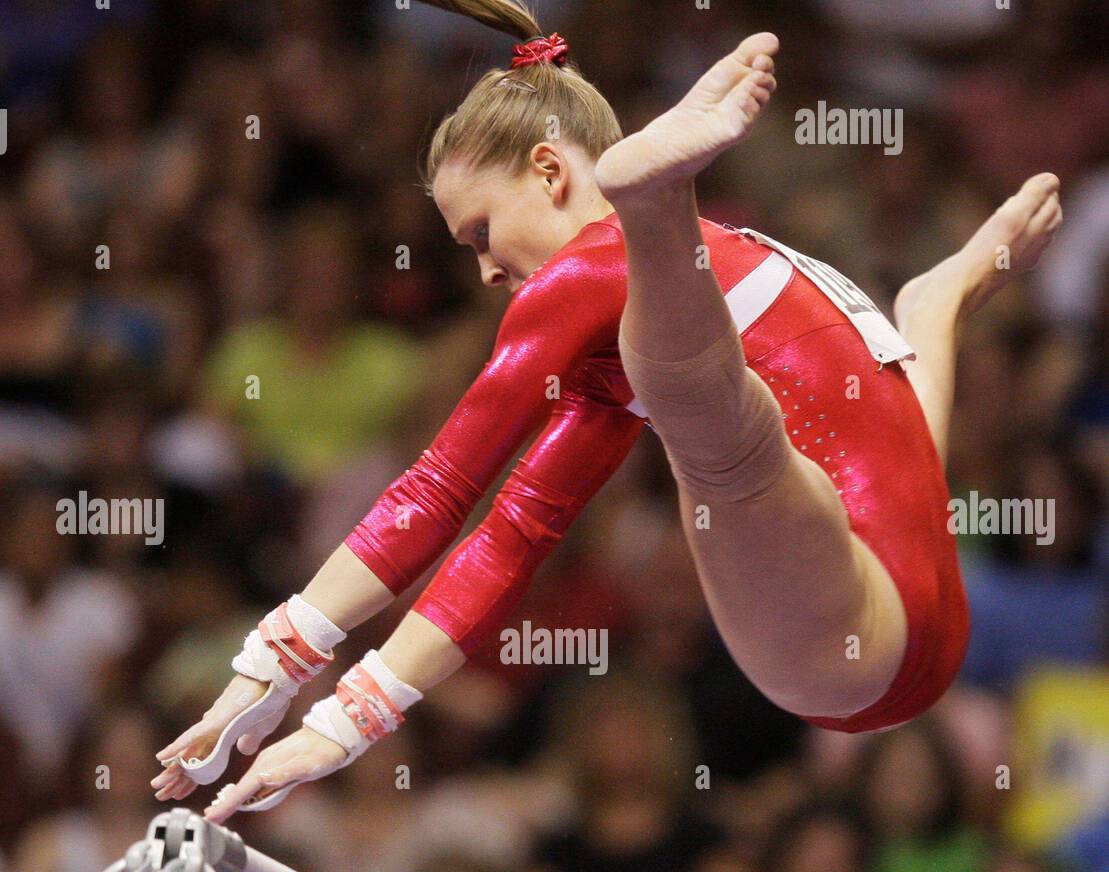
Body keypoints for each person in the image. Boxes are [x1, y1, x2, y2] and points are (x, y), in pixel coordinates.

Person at [150, 3, 1063, 822]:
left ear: (550, 170)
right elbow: (515, 528)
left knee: (728, 442)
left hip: (863, 622)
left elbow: (440, 485)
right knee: (754, 416)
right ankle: (926, 301)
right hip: (885, 598)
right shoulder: (632, 327)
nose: (482, 271)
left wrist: (270, 667)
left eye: (478, 234)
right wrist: (332, 717)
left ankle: (664, 202)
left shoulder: (582, 275)